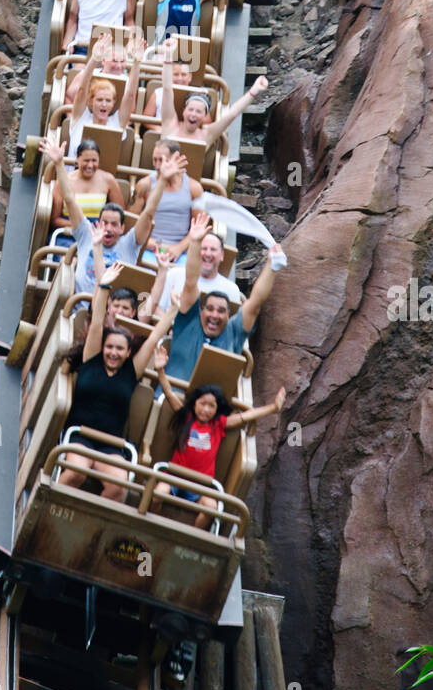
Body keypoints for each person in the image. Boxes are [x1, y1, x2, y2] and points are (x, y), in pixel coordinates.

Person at [59, 260, 174, 502]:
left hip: (110, 445)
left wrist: (173, 309)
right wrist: (103, 287)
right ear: (102, 347)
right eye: (109, 347)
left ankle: (93, 530)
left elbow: (153, 338)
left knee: (119, 487)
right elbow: (98, 321)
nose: (113, 353)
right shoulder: (91, 359)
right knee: (76, 474)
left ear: (128, 352)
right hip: (80, 436)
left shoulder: (131, 371)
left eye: (120, 349)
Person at [40, 137, 187, 293]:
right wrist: (59, 164)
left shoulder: (130, 243)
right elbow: (69, 198)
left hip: (115, 307)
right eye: (105, 223)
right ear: (98, 224)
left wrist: (162, 180)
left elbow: (149, 213)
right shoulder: (86, 235)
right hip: (82, 307)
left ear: (123, 228)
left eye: (114, 224)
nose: (108, 228)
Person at [153, 356, 285, 527]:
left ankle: (190, 540)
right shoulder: (186, 417)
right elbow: (169, 393)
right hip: (175, 477)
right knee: (157, 494)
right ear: (194, 404)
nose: (205, 410)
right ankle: (152, 526)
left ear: (217, 409)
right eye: (202, 404)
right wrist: (160, 370)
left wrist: (273, 408)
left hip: (201, 485)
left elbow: (246, 416)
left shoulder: (218, 425)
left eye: (211, 406)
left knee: (211, 508)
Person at [161, 213, 287, 382]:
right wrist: (195, 242)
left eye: (221, 311)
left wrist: (272, 266)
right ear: (200, 311)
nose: (214, 315)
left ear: (229, 315)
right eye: (210, 309)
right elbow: (190, 281)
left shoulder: (232, 333)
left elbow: (255, 303)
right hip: (171, 398)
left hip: (211, 406)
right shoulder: (188, 323)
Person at [160, 37, 267, 145]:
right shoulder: (170, 124)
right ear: (184, 111)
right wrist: (168, 56)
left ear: (204, 117)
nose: (193, 114)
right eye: (191, 109)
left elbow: (233, 113)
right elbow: (167, 89)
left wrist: (254, 90)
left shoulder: (207, 134)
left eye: (198, 112)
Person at [132, 138, 205, 263]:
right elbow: (132, 220)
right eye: (155, 160)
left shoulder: (194, 188)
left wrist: (179, 248)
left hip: (180, 251)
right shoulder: (145, 185)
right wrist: (146, 241)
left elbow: (200, 225)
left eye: (162, 160)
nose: (158, 166)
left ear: (175, 160)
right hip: (148, 249)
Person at [66, 33, 145, 148]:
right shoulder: (81, 117)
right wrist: (94, 58)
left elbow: (130, 96)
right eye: (99, 100)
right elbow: (82, 91)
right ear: (91, 100)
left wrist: (137, 62)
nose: (103, 104)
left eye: (108, 100)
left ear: (114, 103)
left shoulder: (116, 123)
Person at [158, 212, 239, 310]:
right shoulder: (173, 275)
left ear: (222, 255)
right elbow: (155, 309)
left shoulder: (231, 290)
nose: (208, 254)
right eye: (203, 249)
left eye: (213, 250)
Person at [50, 136, 125, 232]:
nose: (90, 165)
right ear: (77, 159)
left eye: (94, 161)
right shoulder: (64, 181)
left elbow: (120, 215)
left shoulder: (108, 180)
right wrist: (82, 226)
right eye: (86, 160)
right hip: (70, 231)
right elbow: (55, 220)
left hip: (99, 232)